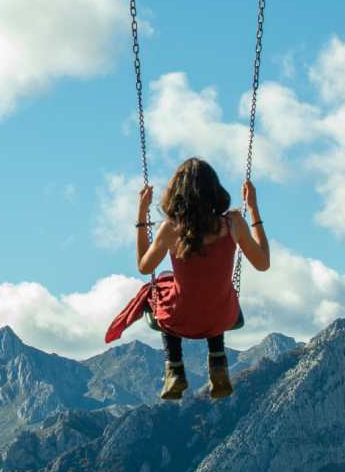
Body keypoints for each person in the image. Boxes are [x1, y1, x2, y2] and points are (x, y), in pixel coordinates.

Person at [105, 157, 270, 401]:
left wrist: (142, 215)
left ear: (176, 194)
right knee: (213, 292)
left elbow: (144, 266)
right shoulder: (233, 223)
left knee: (160, 283)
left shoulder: (171, 229)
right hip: (222, 316)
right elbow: (263, 263)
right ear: (215, 191)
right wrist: (253, 208)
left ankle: (174, 367)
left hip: (180, 318)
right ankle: (218, 363)